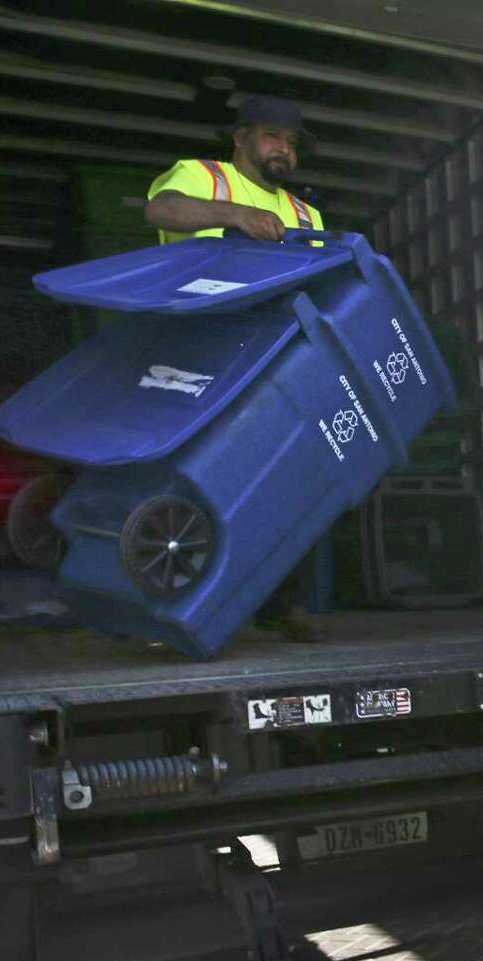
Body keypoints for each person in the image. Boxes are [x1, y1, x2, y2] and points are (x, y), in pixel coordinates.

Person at [145, 94, 325, 642]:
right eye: (272, 136)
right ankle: (175, 605)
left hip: (270, 354)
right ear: (240, 139)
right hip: (196, 348)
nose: (283, 149)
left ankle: (278, 602)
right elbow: (160, 211)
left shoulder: (306, 215)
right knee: (189, 475)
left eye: (291, 142)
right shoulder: (203, 177)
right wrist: (236, 216)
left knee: (282, 473)